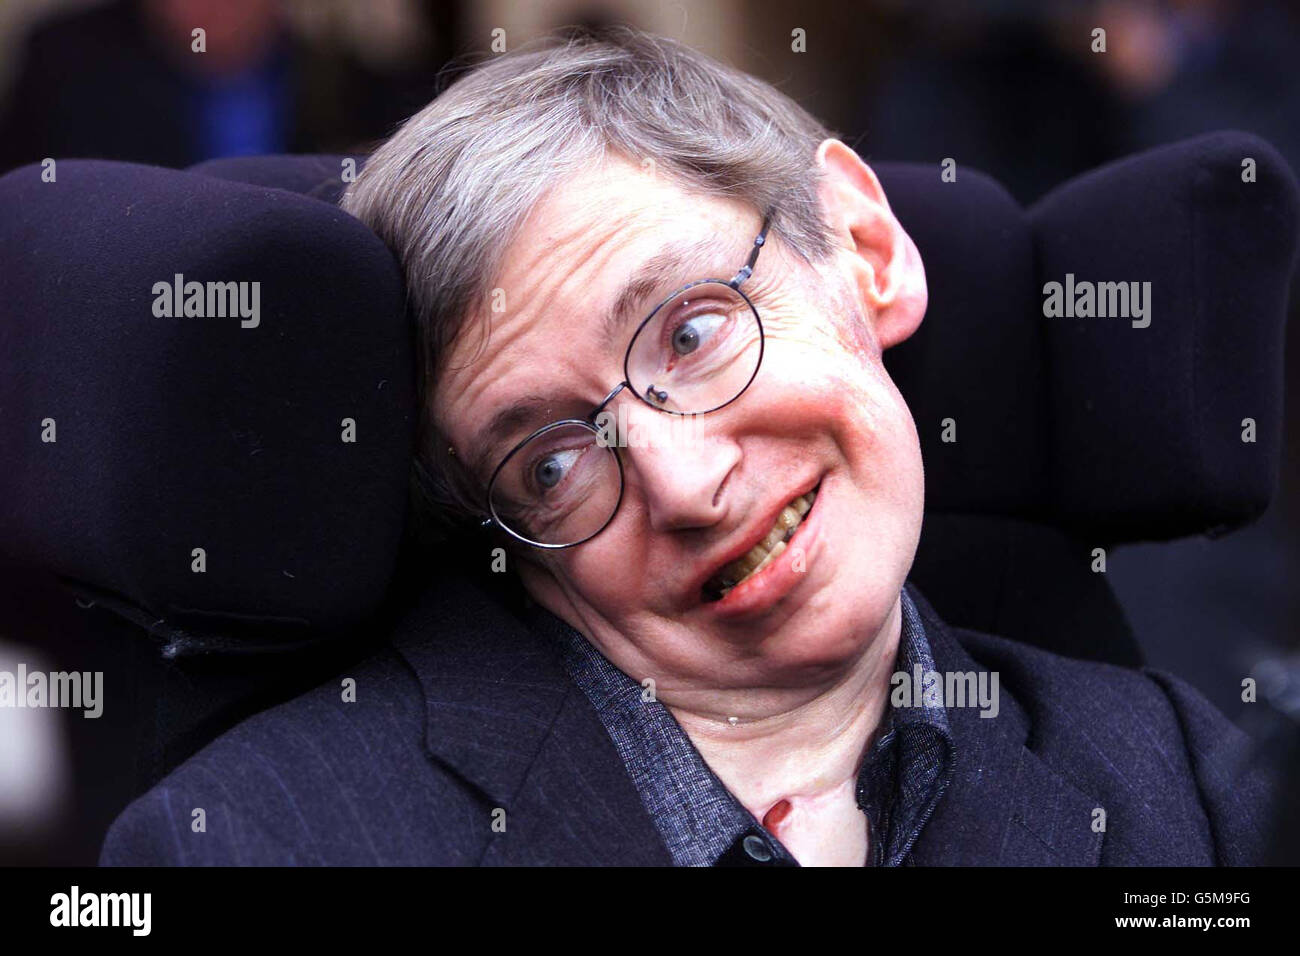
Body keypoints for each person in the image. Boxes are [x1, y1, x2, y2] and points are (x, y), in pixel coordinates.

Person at [100, 26, 1274, 867]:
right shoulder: (261, 845)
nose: (686, 481)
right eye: (550, 462)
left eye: (695, 331)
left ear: (865, 248)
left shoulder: (1193, 791)